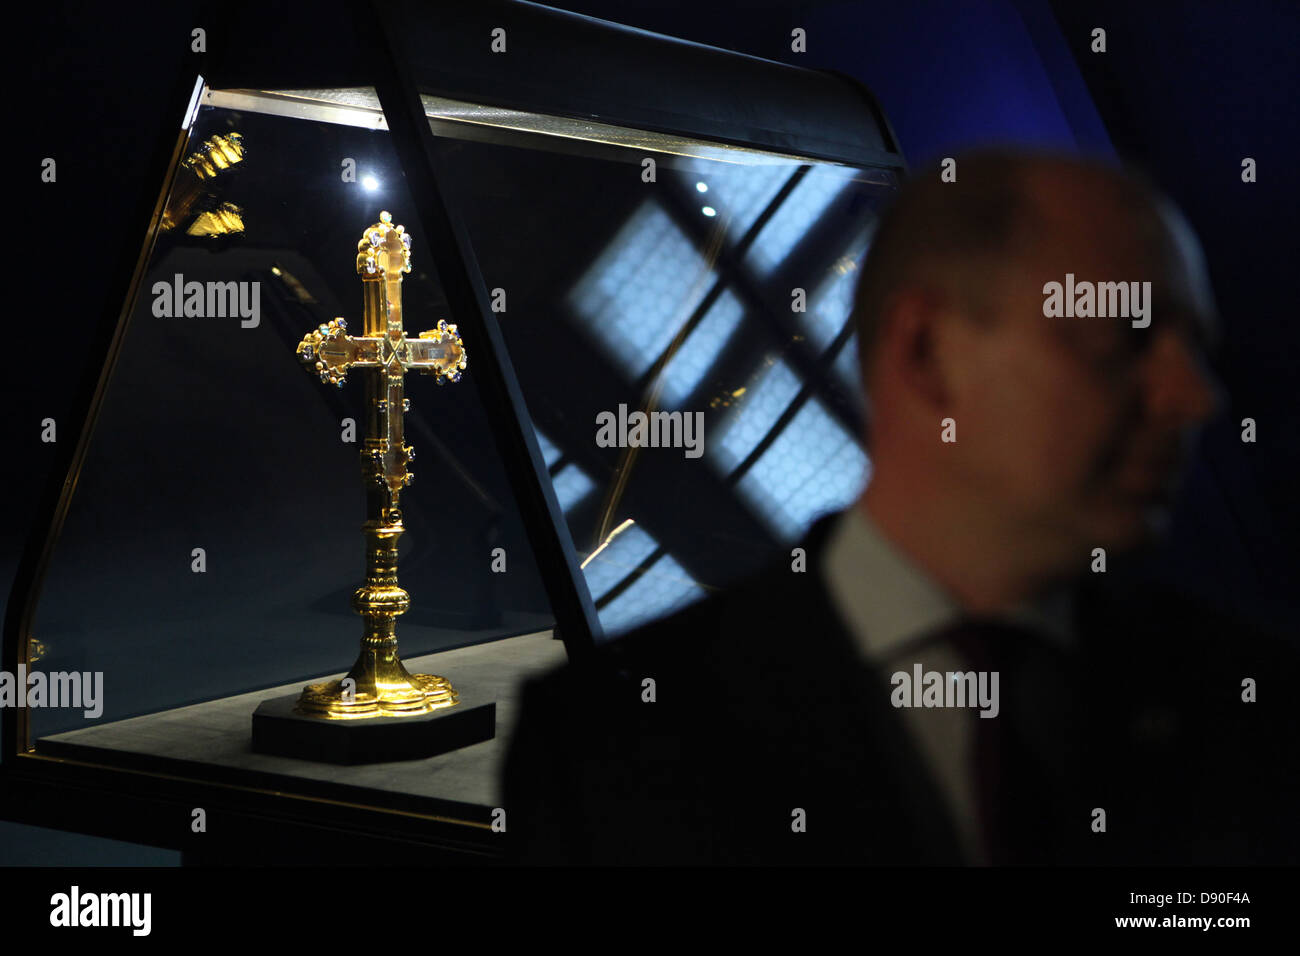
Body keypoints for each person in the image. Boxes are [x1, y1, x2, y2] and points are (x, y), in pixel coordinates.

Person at [501, 149, 1297, 865]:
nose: (1194, 398)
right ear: (927, 352)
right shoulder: (607, 747)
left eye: (1196, 350)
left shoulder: (1252, 705)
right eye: (1125, 336)